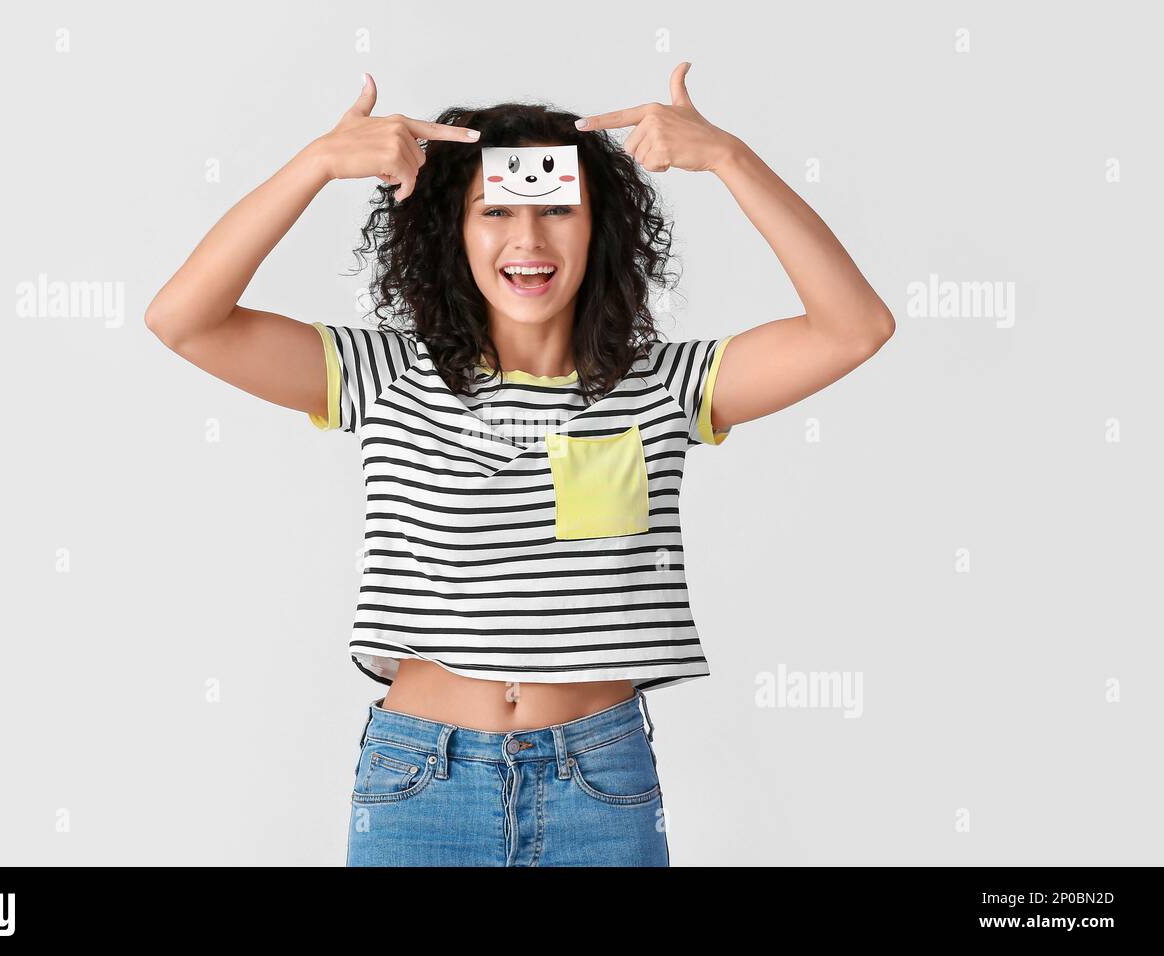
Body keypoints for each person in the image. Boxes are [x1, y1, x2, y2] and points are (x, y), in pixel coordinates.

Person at [145, 63, 894, 866]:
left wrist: (731, 159)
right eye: (495, 209)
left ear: (598, 227)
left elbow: (854, 328)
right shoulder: (388, 373)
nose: (528, 239)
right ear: (451, 231)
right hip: (417, 782)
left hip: (600, 783)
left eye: (557, 209)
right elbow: (184, 320)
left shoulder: (665, 386)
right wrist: (318, 163)